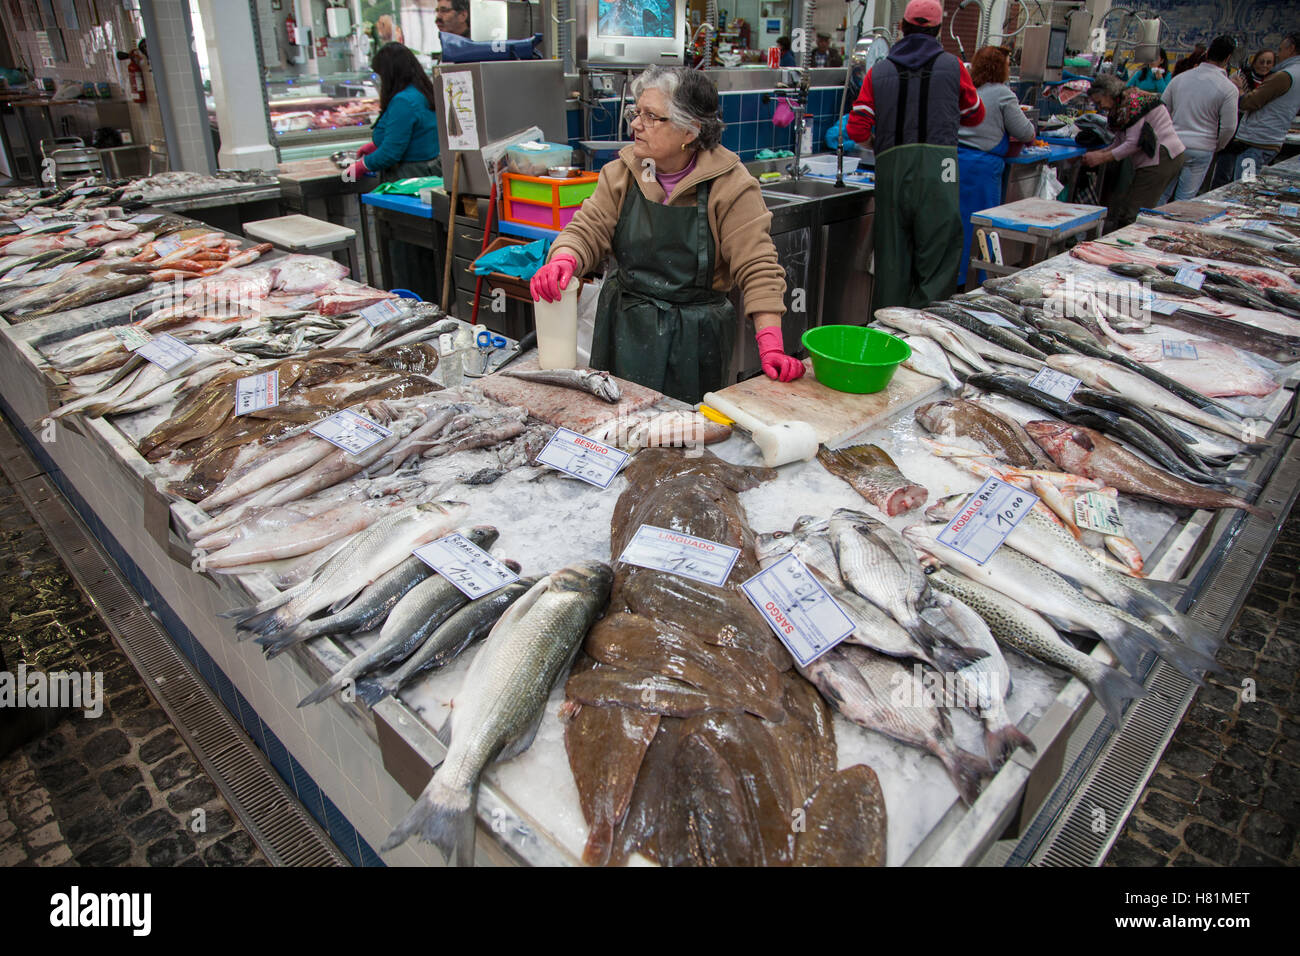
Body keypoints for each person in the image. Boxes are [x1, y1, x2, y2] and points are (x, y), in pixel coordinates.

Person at [529, 67, 802, 404]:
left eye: (651, 116)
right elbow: (589, 226)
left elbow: (757, 265)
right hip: (623, 327)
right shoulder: (624, 172)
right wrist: (564, 258)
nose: (635, 124)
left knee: (681, 438)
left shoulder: (730, 185)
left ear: (690, 130)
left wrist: (771, 344)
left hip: (694, 341)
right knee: (615, 426)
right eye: (636, 112)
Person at [845, 0, 985, 310]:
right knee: (938, 260)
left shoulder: (879, 70)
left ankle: (889, 338)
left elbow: (856, 128)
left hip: (893, 173)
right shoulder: (954, 67)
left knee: (891, 261)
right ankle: (927, 342)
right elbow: (976, 114)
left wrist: (878, 143)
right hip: (940, 172)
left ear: (901, 28)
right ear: (937, 31)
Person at [346, 43, 441, 299]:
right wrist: (375, 143)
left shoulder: (402, 100)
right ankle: (429, 300)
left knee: (406, 257)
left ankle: (412, 302)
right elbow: (408, 135)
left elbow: (391, 153)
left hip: (404, 184)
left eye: (379, 75)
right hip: (427, 178)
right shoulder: (422, 92)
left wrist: (360, 166)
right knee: (426, 257)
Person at [956, 46, 1036, 284]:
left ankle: (955, 279)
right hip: (982, 168)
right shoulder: (1003, 94)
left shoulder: (966, 90)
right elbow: (1025, 131)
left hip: (952, 163)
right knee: (982, 228)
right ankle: (979, 282)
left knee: (955, 225)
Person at [1082, 74, 1185, 231]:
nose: (1099, 107)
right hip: (1154, 159)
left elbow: (1132, 143)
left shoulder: (1132, 103)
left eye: (1099, 102)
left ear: (1109, 93)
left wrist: (1101, 158)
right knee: (1129, 207)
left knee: (1133, 212)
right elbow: (1119, 142)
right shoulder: (1120, 107)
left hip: (1162, 158)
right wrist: (1099, 154)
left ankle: (1124, 249)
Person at [1212, 34, 1300, 187]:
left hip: (1258, 139)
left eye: (1280, 49)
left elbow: (1251, 102)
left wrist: (1239, 92)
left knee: (1244, 186)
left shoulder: (1285, 75)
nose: (1279, 54)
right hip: (1271, 137)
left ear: (1291, 49)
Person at [1160, 35, 1237, 202]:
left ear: (1207, 52)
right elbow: (1229, 127)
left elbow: (1163, 109)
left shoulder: (1180, 79)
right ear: (1228, 58)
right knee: (1184, 200)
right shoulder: (1228, 88)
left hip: (1174, 144)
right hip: (1202, 147)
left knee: (1161, 194)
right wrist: (1217, 145)